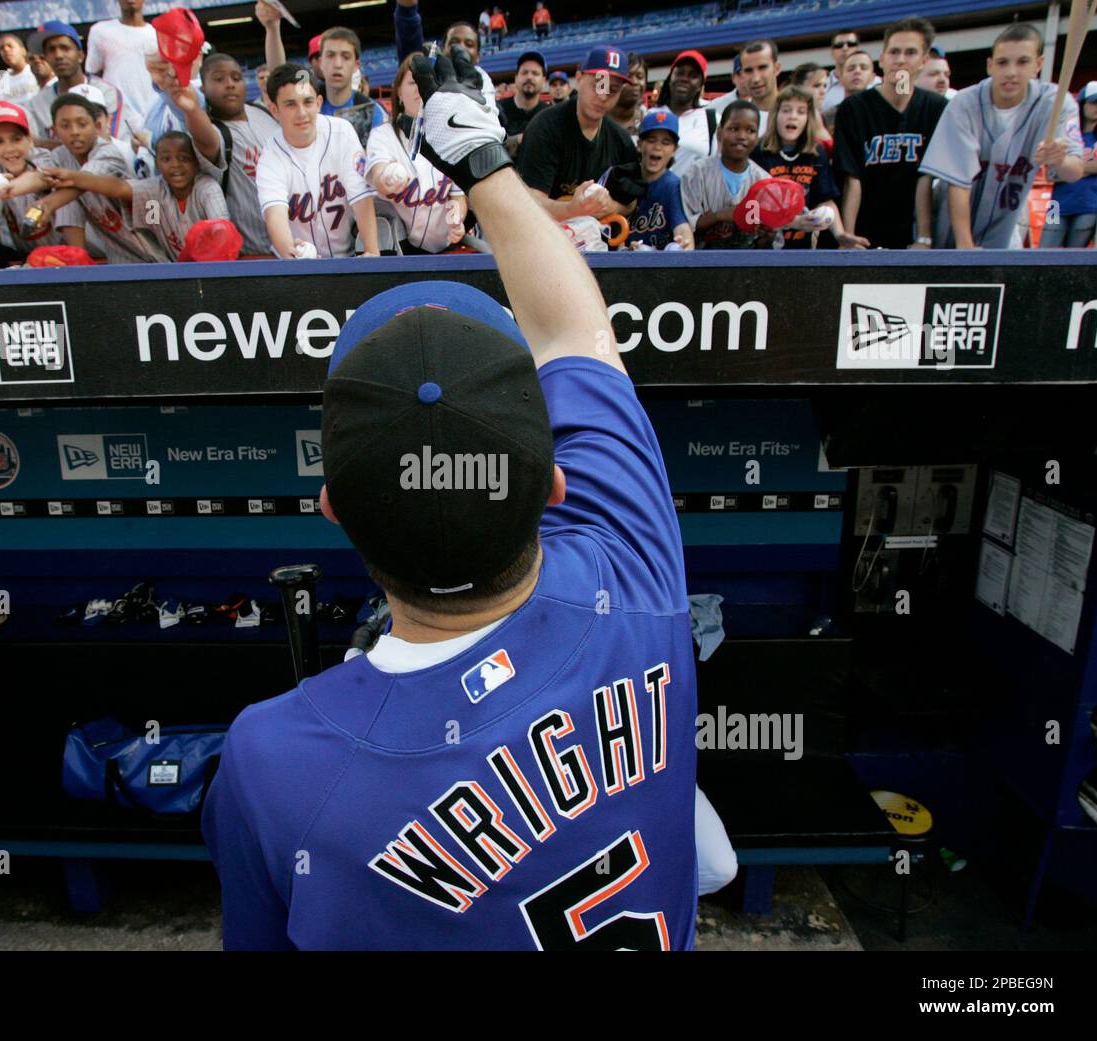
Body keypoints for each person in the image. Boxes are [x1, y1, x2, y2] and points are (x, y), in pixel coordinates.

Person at [202, 46, 719, 950]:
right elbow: (572, 327)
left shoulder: (272, 756)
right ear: (554, 486)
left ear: (336, 510)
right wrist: (486, 165)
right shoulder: (634, 572)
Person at [921, 23, 1084, 249]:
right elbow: (958, 182)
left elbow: (1074, 171)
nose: (1011, 72)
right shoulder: (965, 103)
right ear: (990, 66)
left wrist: (1059, 159)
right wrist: (965, 248)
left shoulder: (1056, 102)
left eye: (1023, 62)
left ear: (1038, 64)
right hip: (951, 223)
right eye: (1002, 62)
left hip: (1006, 222)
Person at [834, 17, 946, 250]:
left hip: (909, 233)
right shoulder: (854, 108)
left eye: (910, 52)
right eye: (894, 52)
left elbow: (925, 176)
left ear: (924, 60)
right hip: (864, 231)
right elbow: (851, 176)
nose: (901, 60)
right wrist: (848, 236)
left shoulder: (935, 107)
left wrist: (924, 238)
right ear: (882, 59)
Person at [160, 51, 279, 256]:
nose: (230, 84)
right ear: (203, 88)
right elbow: (206, 140)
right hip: (255, 256)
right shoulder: (216, 132)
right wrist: (192, 108)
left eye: (236, 77)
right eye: (219, 79)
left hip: (298, 245)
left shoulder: (263, 112)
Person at [29, 88, 167, 264]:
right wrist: (11, 186)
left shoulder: (115, 150)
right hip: (118, 251)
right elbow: (41, 176)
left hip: (153, 240)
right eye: (66, 125)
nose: (75, 131)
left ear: (99, 123)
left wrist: (47, 204)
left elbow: (85, 181)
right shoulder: (62, 157)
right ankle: (77, 265)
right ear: (55, 129)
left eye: (82, 122)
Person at [41, 130, 226, 261]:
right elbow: (118, 188)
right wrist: (73, 177)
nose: (175, 165)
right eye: (166, 159)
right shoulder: (153, 191)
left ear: (196, 162)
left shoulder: (207, 188)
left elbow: (223, 232)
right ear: (157, 164)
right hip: (173, 273)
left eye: (184, 158)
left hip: (214, 272)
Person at [256, 64, 379, 259]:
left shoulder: (342, 133)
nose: (302, 112)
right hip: (298, 259)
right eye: (290, 104)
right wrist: (291, 255)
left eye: (308, 102)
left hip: (347, 255)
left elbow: (361, 198)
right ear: (274, 110)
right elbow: (275, 215)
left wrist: (372, 252)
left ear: (319, 103)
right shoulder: (270, 157)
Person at [517, 46, 639, 222]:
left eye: (612, 89)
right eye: (598, 84)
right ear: (579, 79)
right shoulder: (545, 127)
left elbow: (631, 201)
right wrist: (572, 210)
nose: (603, 96)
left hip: (598, 240)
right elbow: (530, 203)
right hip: (544, 237)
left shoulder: (621, 140)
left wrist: (609, 206)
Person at [367, 57, 467, 253]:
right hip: (399, 250)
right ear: (399, 93)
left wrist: (456, 219)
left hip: (445, 248)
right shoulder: (383, 135)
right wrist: (386, 179)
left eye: (427, 82)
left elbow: (457, 196)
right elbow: (379, 176)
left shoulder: (452, 135)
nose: (420, 88)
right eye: (413, 82)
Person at [0, 101, 84, 267]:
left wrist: (13, 187)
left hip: (65, 253)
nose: (9, 149)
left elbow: (39, 178)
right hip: (28, 254)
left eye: (16, 139)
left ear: (30, 140)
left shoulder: (45, 157)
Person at [755, 85, 865, 247]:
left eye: (801, 111)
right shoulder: (759, 152)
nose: (793, 117)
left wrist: (840, 234)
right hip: (765, 247)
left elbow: (825, 200)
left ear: (809, 118)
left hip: (802, 247)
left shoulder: (816, 152)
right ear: (775, 115)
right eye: (786, 110)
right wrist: (795, 221)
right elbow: (758, 204)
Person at [23, 22, 135, 147]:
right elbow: (35, 149)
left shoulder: (107, 93)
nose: (58, 55)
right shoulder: (37, 103)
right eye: (51, 50)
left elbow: (109, 146)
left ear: (80, 56)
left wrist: (50, 145)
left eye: (65, 48)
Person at [679, 100, 772, 249]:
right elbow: (686, 227)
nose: (742, 136)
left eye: (750, 131)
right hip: (703, 262)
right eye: (734, 128)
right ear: (720, 132)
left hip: (747, 265)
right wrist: (720, 216)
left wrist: (767, 236)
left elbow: (766, 245)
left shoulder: (765, 182)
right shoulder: (696, 173)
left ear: (757, 137)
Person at [615, 107, 692, 250]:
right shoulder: (625, 178)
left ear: (675, 149)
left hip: (660, 264)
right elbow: (612, 227)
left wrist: (684, 244)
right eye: (651, 140)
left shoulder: (672, 185)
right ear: (639, 144)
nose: (657, 147)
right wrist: (623, 250)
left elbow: (682, 228)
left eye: (666, 142)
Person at [1040, 81, 1097, 247]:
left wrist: (1071, 169)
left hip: (1090, 205)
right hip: (1056, 205)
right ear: (1082, 104)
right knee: (1042, 254)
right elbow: (1050, 174)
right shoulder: (1067, 134)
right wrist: (1089, 168)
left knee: (1074, 257)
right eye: (1095, 101)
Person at [86, 0, 157, 126]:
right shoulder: (100, 31)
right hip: (115, 118)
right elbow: (93, 74)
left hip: (152, 116)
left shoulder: (156, 34)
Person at [317, 27, 386, 146]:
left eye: (346, 57)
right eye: (330, 55)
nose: (338, 64)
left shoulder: (373, 112)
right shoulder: (304, 107)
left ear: (356, 65)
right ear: (320, 62)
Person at [499, 50, 547, 157]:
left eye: (535, 73)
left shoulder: (550, 115)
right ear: (516, 78)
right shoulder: (497, 110)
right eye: (524, 72)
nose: (529, 77)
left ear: (544, 80)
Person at [790, 63, 833, 148]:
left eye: (825, 86)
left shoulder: (822, 116)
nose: (823, 91)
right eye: (816, 86)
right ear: (798, 88)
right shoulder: (791, 118)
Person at [822, 29, 864, 117]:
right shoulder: (821, 87)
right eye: (839, 45)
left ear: (858, 49)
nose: (845, 48)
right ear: (832, 52)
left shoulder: (876, 83)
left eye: (851, 44)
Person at [827, 49, 874, 126]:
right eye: (851, 69)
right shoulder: (828, 117)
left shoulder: (882, 112)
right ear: (840, 78)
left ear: (872, 77)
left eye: (864, 68)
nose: (857, 71)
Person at [0, 33, 39, 101]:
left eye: (10, 46)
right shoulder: (3, 81)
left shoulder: (36, 71)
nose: (6, 50)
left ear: (23, 51)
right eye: (1, 48)